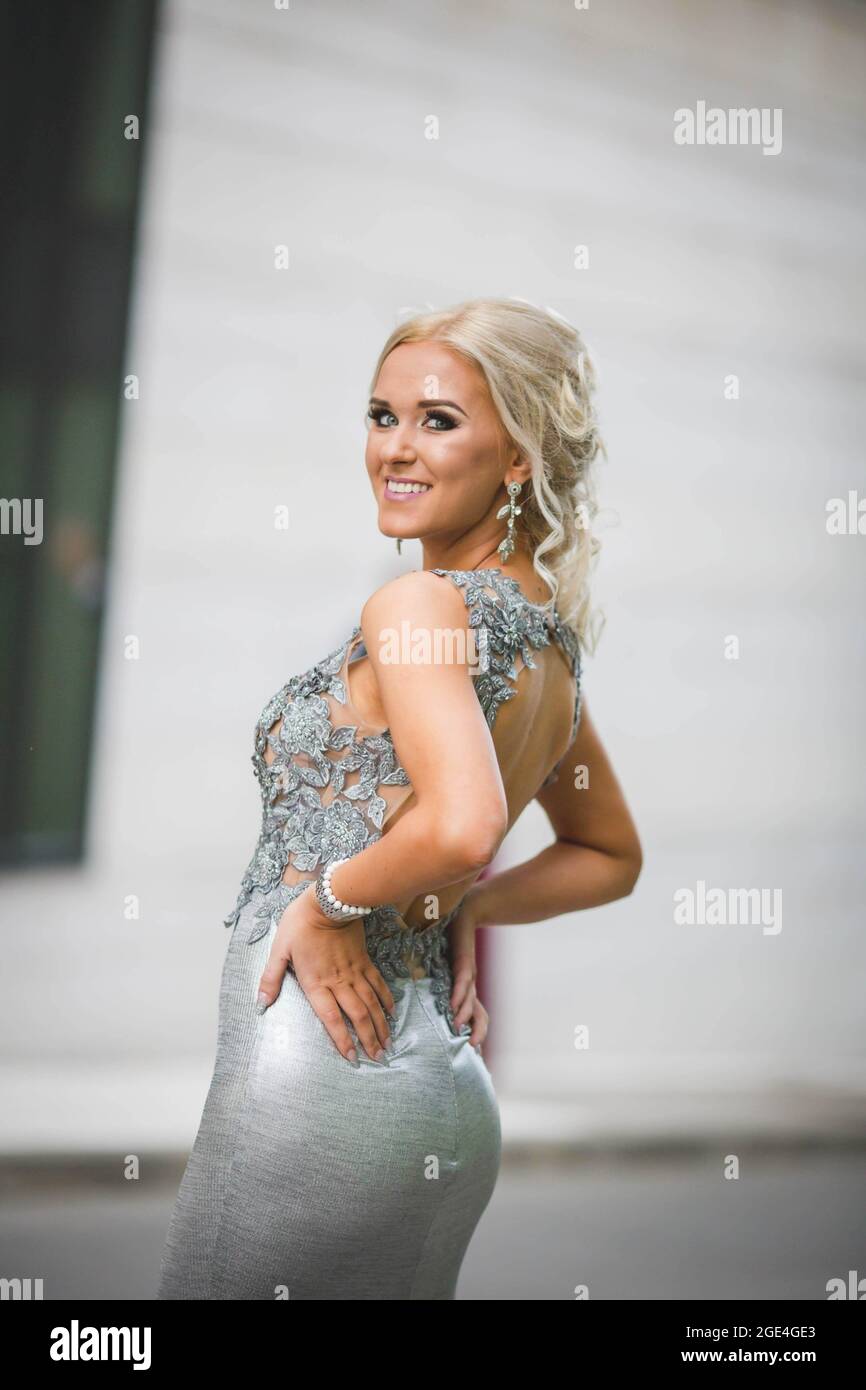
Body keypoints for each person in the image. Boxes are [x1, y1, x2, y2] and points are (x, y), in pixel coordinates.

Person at [156, 296, 642, 1301]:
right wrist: (465, 903)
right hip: (446, 1102)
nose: (395, 449)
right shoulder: (549, 647)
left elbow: (461, 824)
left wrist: (328, 899)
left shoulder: (416, 605)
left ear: (518, 459)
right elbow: (607, 852)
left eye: (438, 419)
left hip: (319, 1071)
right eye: (382, 416)